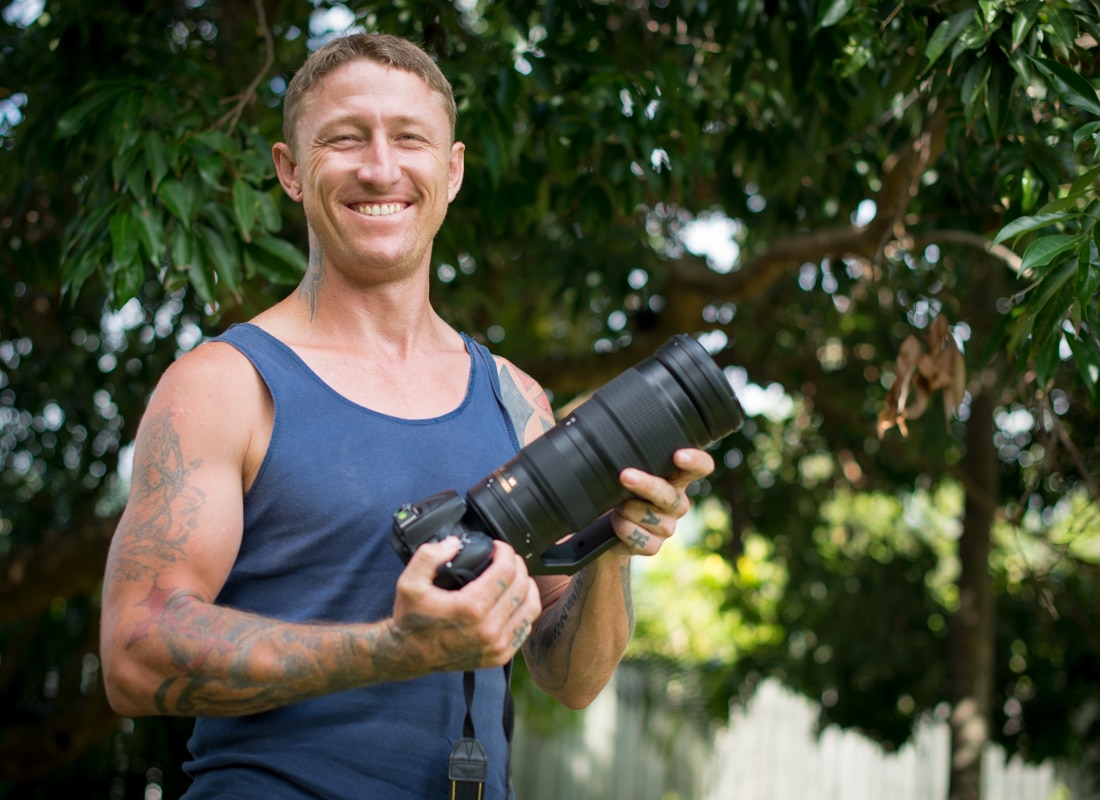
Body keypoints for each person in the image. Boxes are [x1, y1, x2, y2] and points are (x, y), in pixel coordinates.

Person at [99, 32, 715, 799]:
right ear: (290, 171)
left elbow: (569, 677)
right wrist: (393, 649)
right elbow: (134, 653)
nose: (381, 168)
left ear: (451, 171)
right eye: (345, 139)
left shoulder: (513, 396)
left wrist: (614, 549)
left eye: (409, 139)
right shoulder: (223, 385)